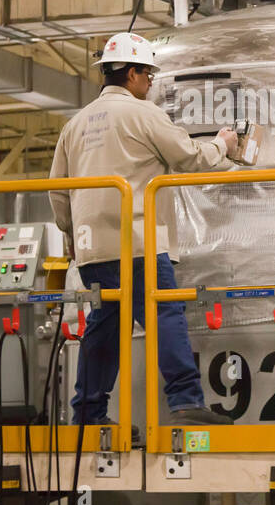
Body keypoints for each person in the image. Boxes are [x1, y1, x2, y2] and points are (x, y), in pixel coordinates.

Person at [49, 31, 239, 428]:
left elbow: (58, 191)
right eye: (148, 75)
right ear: (132, 73)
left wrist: (72, 232)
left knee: (104, 328)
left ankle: (88, 413)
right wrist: (223, 145)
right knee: (164, 314)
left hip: (91, 250)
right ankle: (185, 401)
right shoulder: (143, 114)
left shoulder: (75, 124)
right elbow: (190, 158)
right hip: (137, 243)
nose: (150, 83)